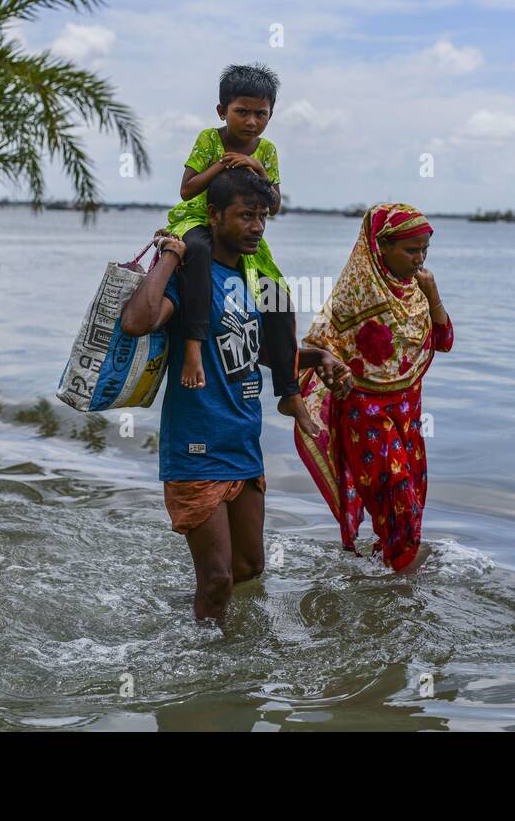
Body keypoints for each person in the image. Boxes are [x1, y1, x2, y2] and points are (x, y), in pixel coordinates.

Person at [121, 168, 351, 622]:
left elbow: (251, 350)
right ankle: (204, 670)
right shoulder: (190, 279)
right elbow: (137, 321)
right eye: (246, 216)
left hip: (243, 444)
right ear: (214, 215)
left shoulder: (250, 279)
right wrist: (171, 254)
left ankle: (198, 625)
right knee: (218, 579)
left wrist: (315, 357)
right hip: (195, 447)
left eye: (262, 217)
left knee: (250, 567)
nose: (257, 228)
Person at [162, 62, 322, 440]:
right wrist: (221, 165)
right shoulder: (208, 139)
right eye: (242, 112)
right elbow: (187, 191)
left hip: (242, 228)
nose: (252, 122)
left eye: (261, 114)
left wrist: (257, 170)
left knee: (277, 294)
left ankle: (289, 391)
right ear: (222, 111)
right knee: (198, 256)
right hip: (201, 219)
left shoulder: (267, 150)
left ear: (270, 114)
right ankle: (193, 346)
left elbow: (276, 204)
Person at [294, 203, 453, 572]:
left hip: (408, 416)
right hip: (366, 417)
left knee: (407, 507)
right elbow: (320, 347)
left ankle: (388, 581)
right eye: (410, 250)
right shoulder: (356, 293)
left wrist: (433, 296)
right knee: (399, 500)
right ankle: (400, 593)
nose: (420, 259)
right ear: (380, 248)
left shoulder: (416, 293)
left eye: (424, 250)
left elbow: (443, 341)